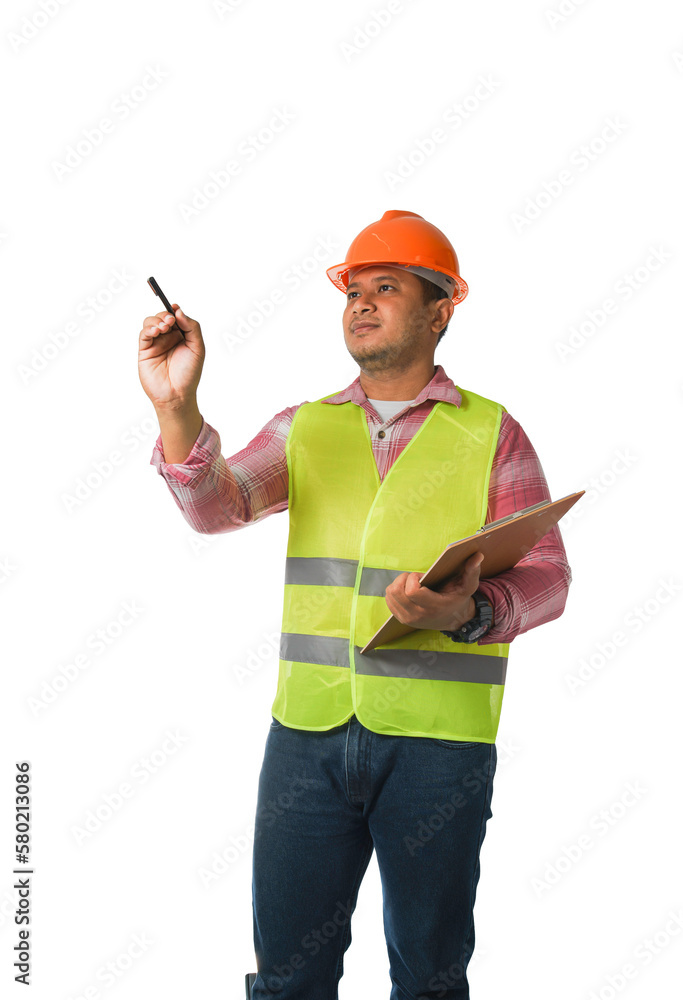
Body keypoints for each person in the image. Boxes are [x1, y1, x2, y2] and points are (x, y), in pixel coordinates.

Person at [138, 210, 572, 1000]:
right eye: (353, 291)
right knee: (288, 978)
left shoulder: (490, 433)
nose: (361, 304)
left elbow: (548, 574)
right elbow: (215, 507)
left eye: (386, 288)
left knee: (429, 978)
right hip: (306, 739)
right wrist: (177, 409)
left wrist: (467, 615)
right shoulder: (306, 427)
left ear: (440, 311)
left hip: (438, 748)